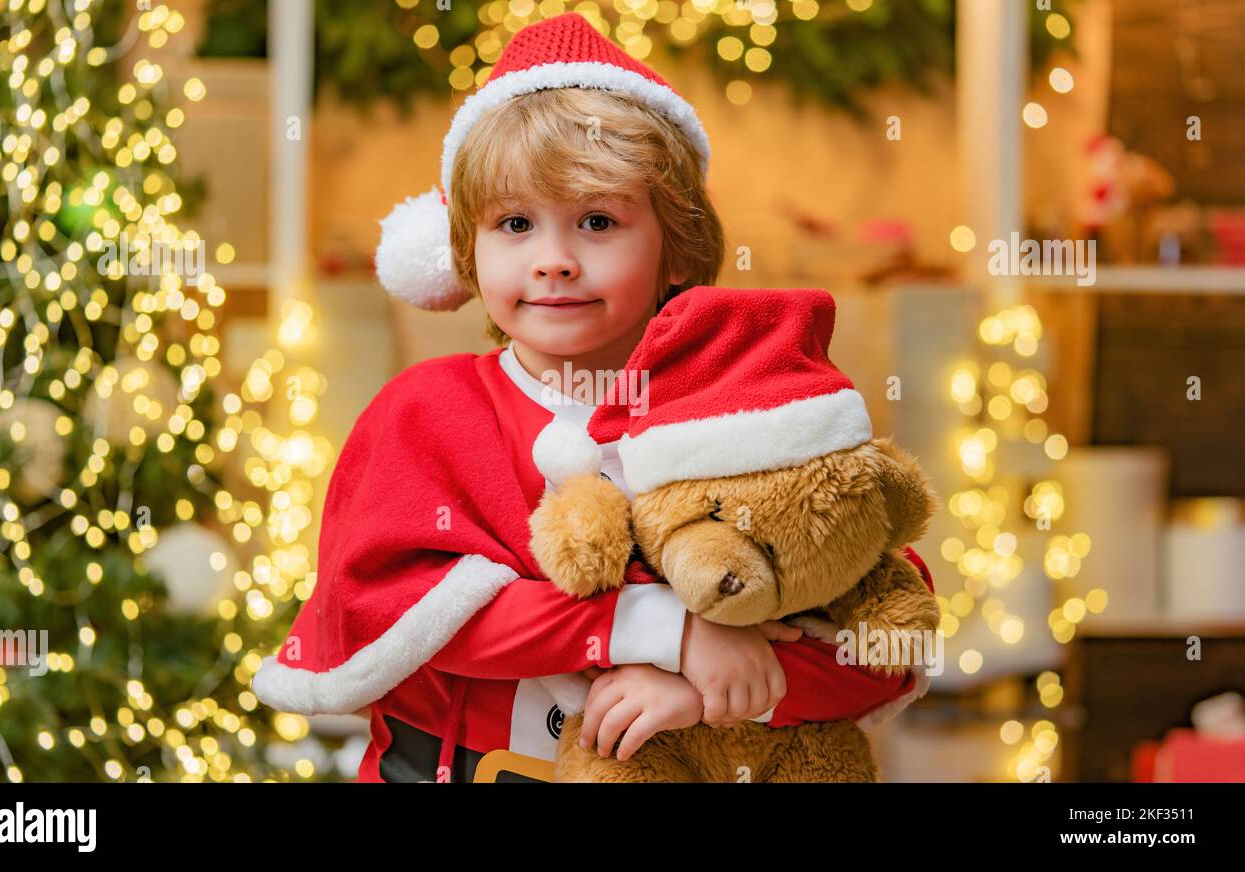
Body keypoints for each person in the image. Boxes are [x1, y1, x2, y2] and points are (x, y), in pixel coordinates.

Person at [252, 12, 933, 783]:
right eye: (515, 223)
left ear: (675, 243)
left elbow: (885, 632)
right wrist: (664, 631)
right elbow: (413, 614)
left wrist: (713, 693)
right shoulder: (429, 413)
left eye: (597, 221)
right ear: (466, 248)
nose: (554, 261)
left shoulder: (756, 413)